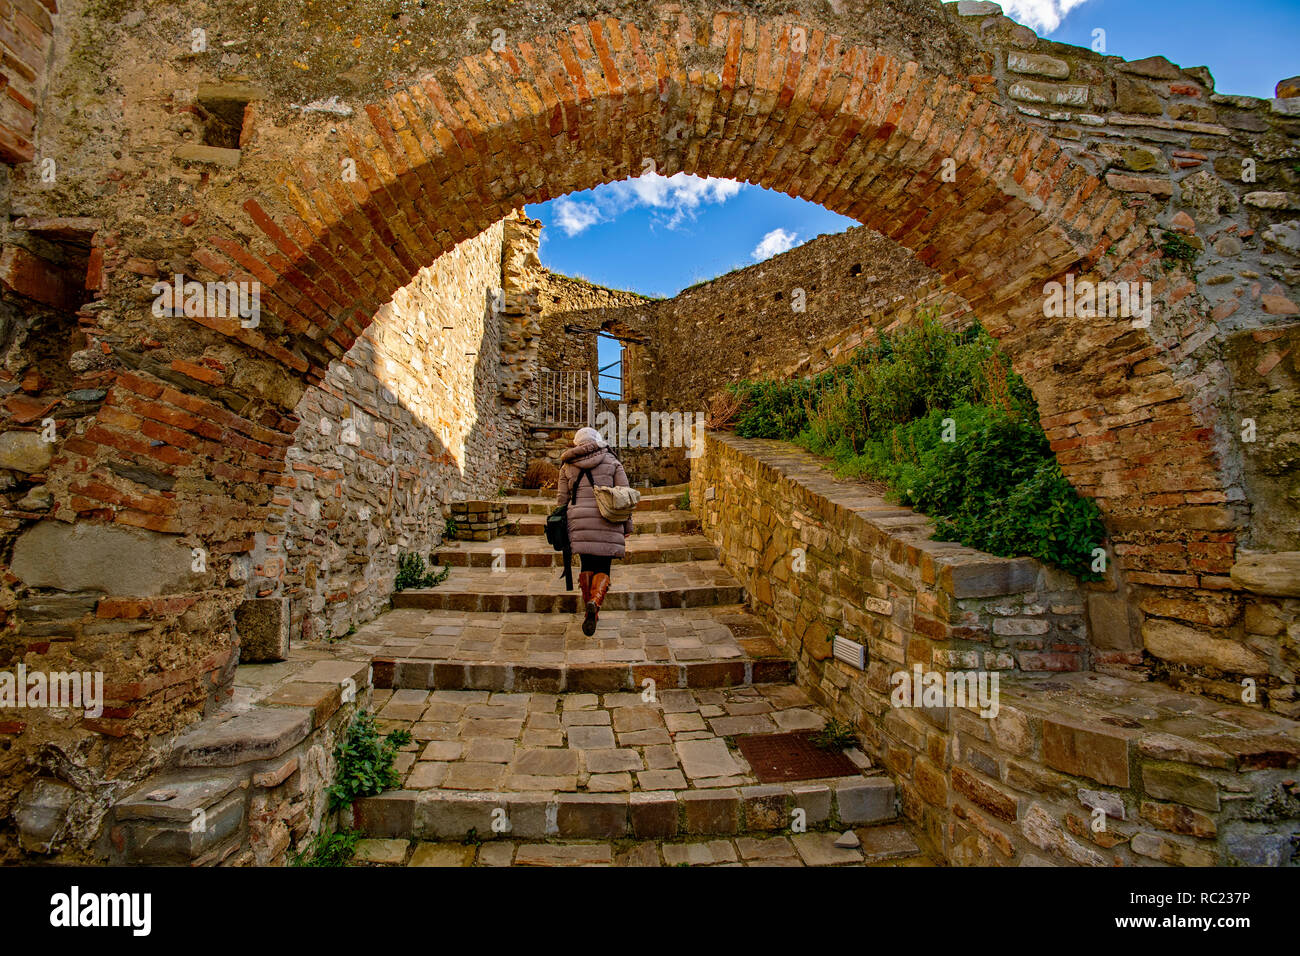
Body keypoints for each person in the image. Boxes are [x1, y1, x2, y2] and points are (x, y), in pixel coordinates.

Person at [556, 426, 633, 636]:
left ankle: (590, 611)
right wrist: (627, 525)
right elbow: (624, 497)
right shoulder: (612, 461)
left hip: (579, 523)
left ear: (577, 443)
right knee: (603, 566)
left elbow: (562, 501)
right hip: (607, 520)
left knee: (586, 564)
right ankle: (594, 603)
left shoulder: (567, 466)